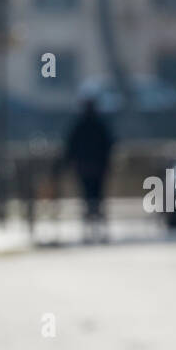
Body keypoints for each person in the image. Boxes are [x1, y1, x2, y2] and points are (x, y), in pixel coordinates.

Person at [63, 86, 116, 239]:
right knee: (95, 198)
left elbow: (71, 147)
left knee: (91, 198)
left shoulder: (85, 125)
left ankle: (93, 230)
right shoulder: (96, 124)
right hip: (94, 167)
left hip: (88, 167)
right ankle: (95, 230)